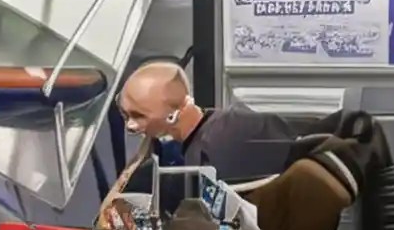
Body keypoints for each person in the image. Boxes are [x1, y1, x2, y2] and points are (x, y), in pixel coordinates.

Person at [117, 60, 296, 214]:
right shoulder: (181, 147)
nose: (130, 126)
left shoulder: (223, 141)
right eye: (126, 116)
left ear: (173, 115)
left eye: (139, 116)